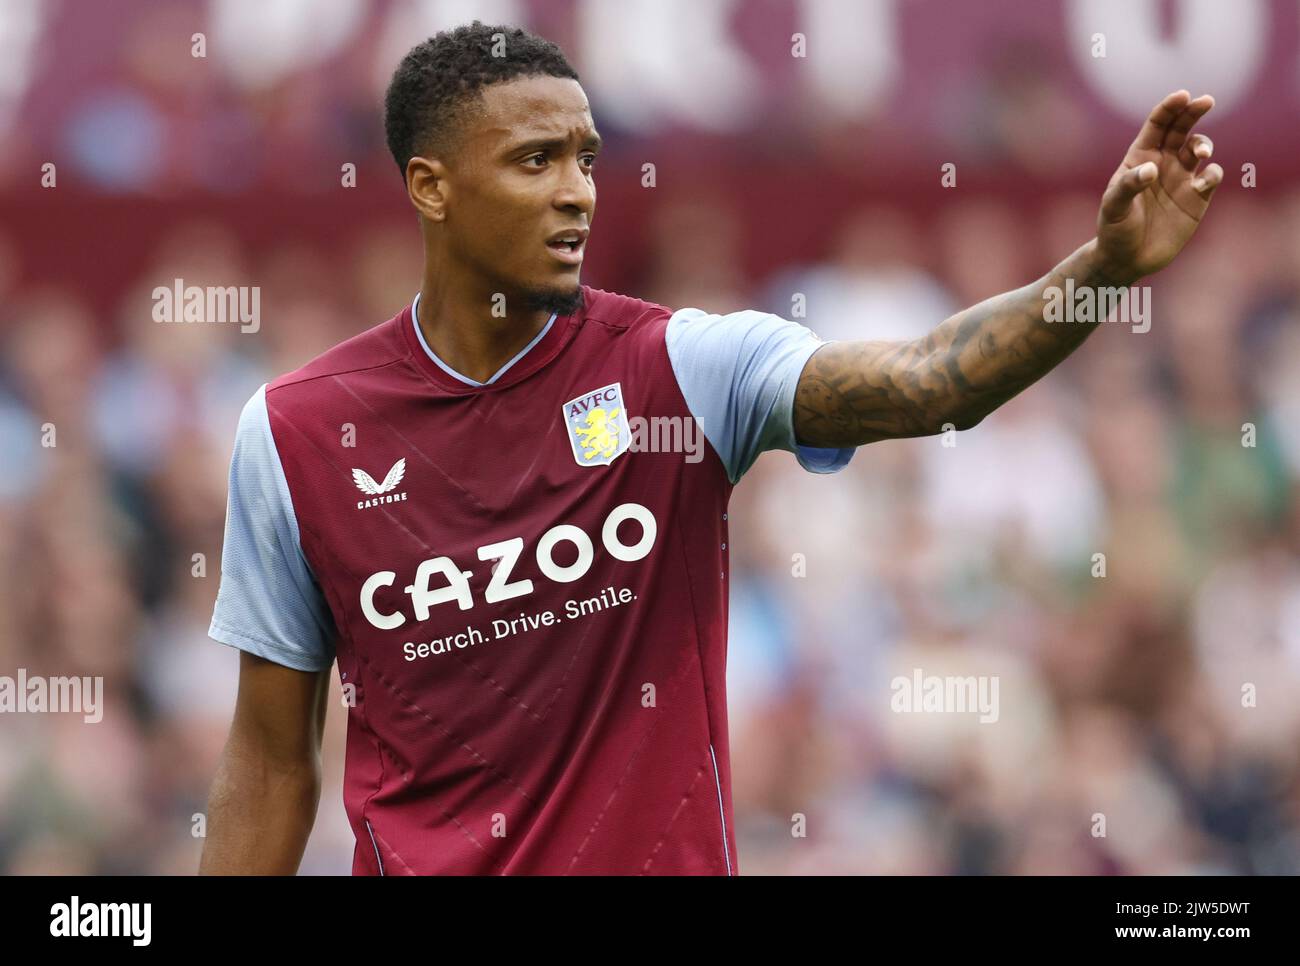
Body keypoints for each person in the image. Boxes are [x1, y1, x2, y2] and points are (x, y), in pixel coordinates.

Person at [198, 20, 1221, 875]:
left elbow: (930, 380)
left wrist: (1103, 268)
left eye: (586, 158)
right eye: (533, 161)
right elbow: (270, 763)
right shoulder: (293, 434)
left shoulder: (683, 368)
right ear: (430, 187)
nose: (577, 192)